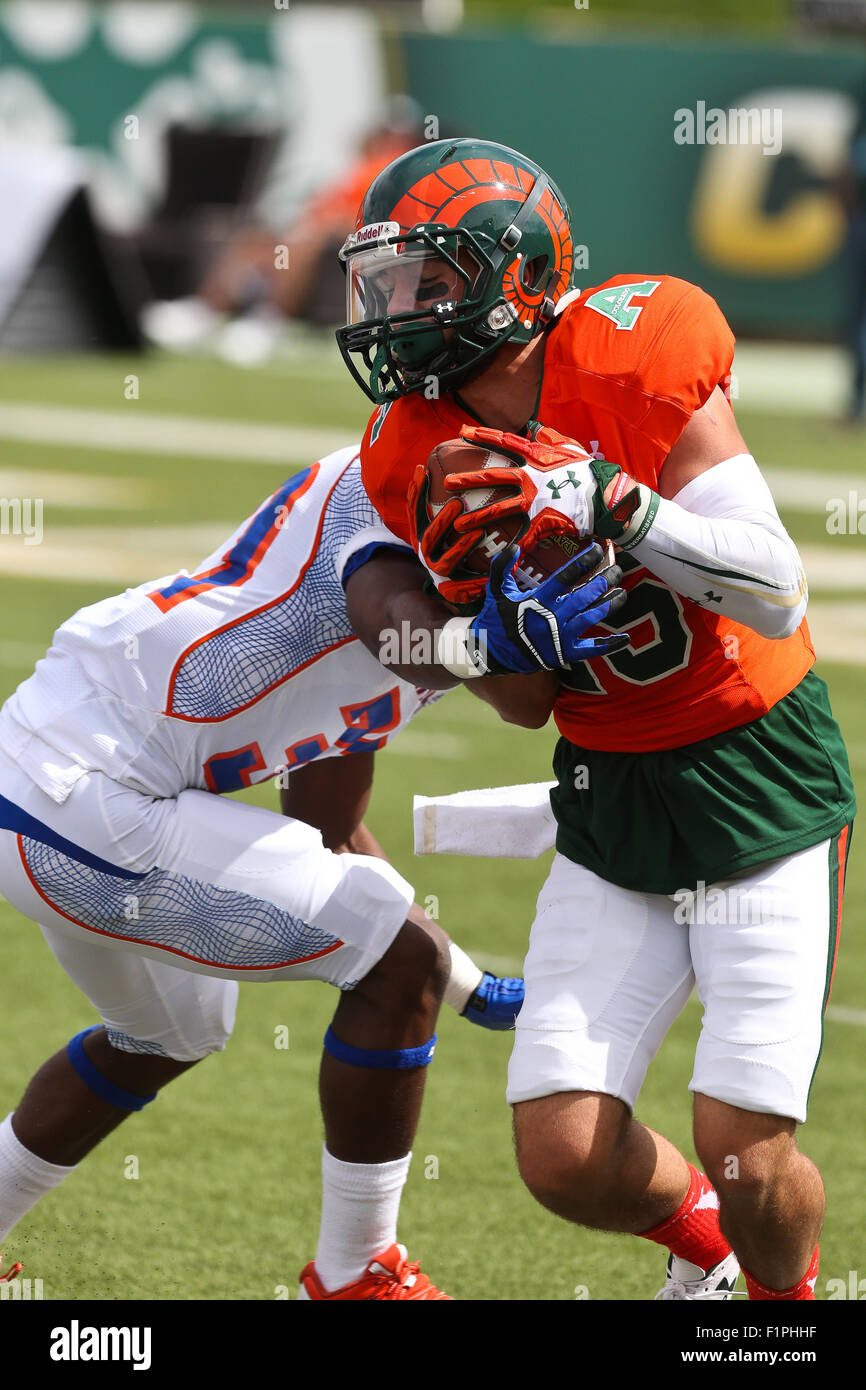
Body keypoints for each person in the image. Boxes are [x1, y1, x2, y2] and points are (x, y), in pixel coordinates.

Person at [335, 137, 857, 1301]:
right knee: (563, 1157)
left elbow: (773, 588)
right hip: (608, 791)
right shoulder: (416, 444)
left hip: (751, 772)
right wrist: (500, 639)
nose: (392, 310)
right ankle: (714, 1262)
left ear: (511, 277)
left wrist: (614, 503)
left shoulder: (634, 349)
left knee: (743, 1142)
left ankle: (781, 1306)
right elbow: (524, 707)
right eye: (381, 281)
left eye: (423, 280)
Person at [0, 443, 622, 1301]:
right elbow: (389, 617)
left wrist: (470, 982)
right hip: (80, 793)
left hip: (59, 785)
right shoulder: (387, 540)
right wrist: (482, 648)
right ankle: (355, 1275)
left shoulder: (439, 617)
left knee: (175, 1031)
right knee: (394, 965)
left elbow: (327, 833)